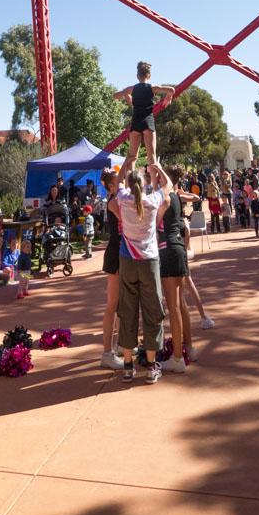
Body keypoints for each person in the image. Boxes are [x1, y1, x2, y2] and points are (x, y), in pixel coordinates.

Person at [111, 153, 171, 383]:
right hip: (149, 261)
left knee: (127, 309)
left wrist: (127, 163)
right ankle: (152, 365)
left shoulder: (124, 198)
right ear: (145, 184)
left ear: (128, 184)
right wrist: (158, 168)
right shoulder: (153, 200)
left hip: (127, 261)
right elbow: (168, 186)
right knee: (152, 310)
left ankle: (128, 365)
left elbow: (118, 183)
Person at [157, 166, 196, 375]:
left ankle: (178, 358)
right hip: (178, 248)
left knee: (173, 306)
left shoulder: (164, 199)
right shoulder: (176, 196)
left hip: (168, 251)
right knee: (181, 304)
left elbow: (152, 225)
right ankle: (189, 347)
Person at [113, 61, 174, 162]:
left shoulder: (131, 89)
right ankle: (154, 178)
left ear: (137, 76)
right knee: (152, 157)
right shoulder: (153, 88)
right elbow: (171, 90)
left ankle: (128, 177)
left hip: (136, 122)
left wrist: (127, 96)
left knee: (132, 157)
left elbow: (115, 96)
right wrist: (168, 98)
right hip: (148, 121)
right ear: (149, 75)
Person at [98, 166, 124, 370]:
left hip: (123, 252)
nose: (122, 181)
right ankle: (107, 352)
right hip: (116, 254)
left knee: (122, 303)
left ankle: (121, 345)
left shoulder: (119, 198)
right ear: (110, 185)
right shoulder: (114, 201)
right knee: (112, 304)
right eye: (118, 179)